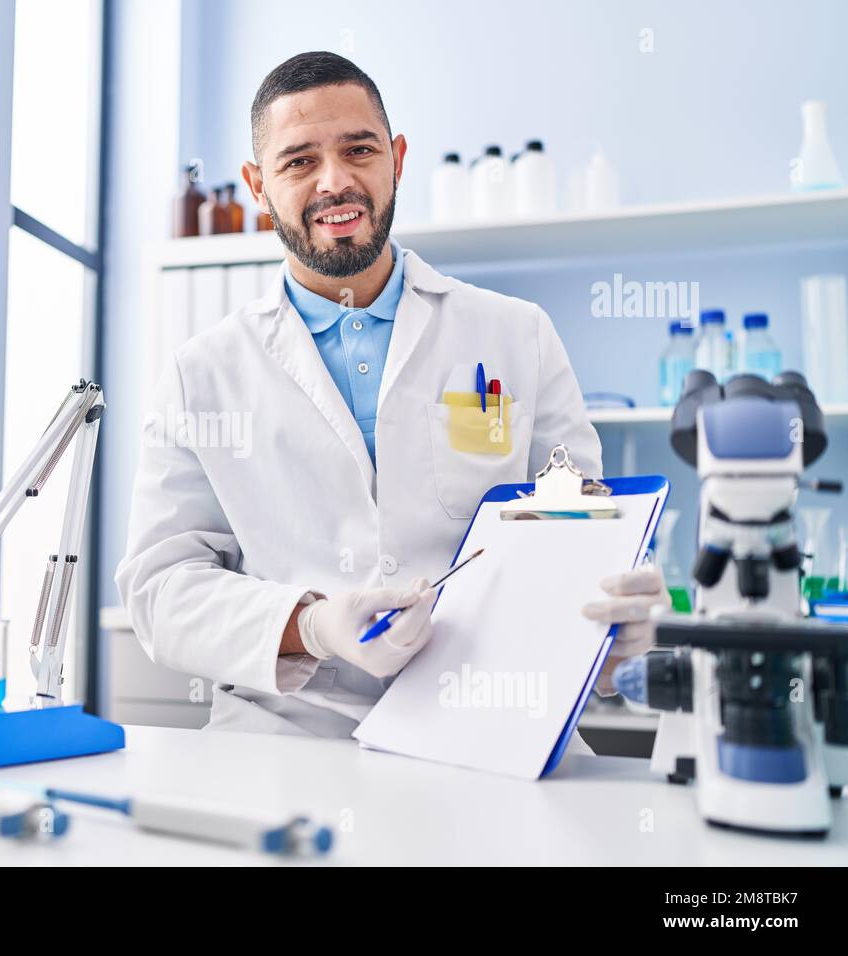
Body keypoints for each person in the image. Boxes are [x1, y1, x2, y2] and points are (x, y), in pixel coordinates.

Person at [116, 51, 668, 739]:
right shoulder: (202, 374)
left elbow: (582, 536)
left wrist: (613, 624)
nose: (336, 182)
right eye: (298, 162)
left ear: (397, 159)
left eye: (359, 150)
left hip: (491, 720)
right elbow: (160, 588)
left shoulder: (516, 335)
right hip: (284, 734)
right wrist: (309, 625)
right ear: (258, 186)